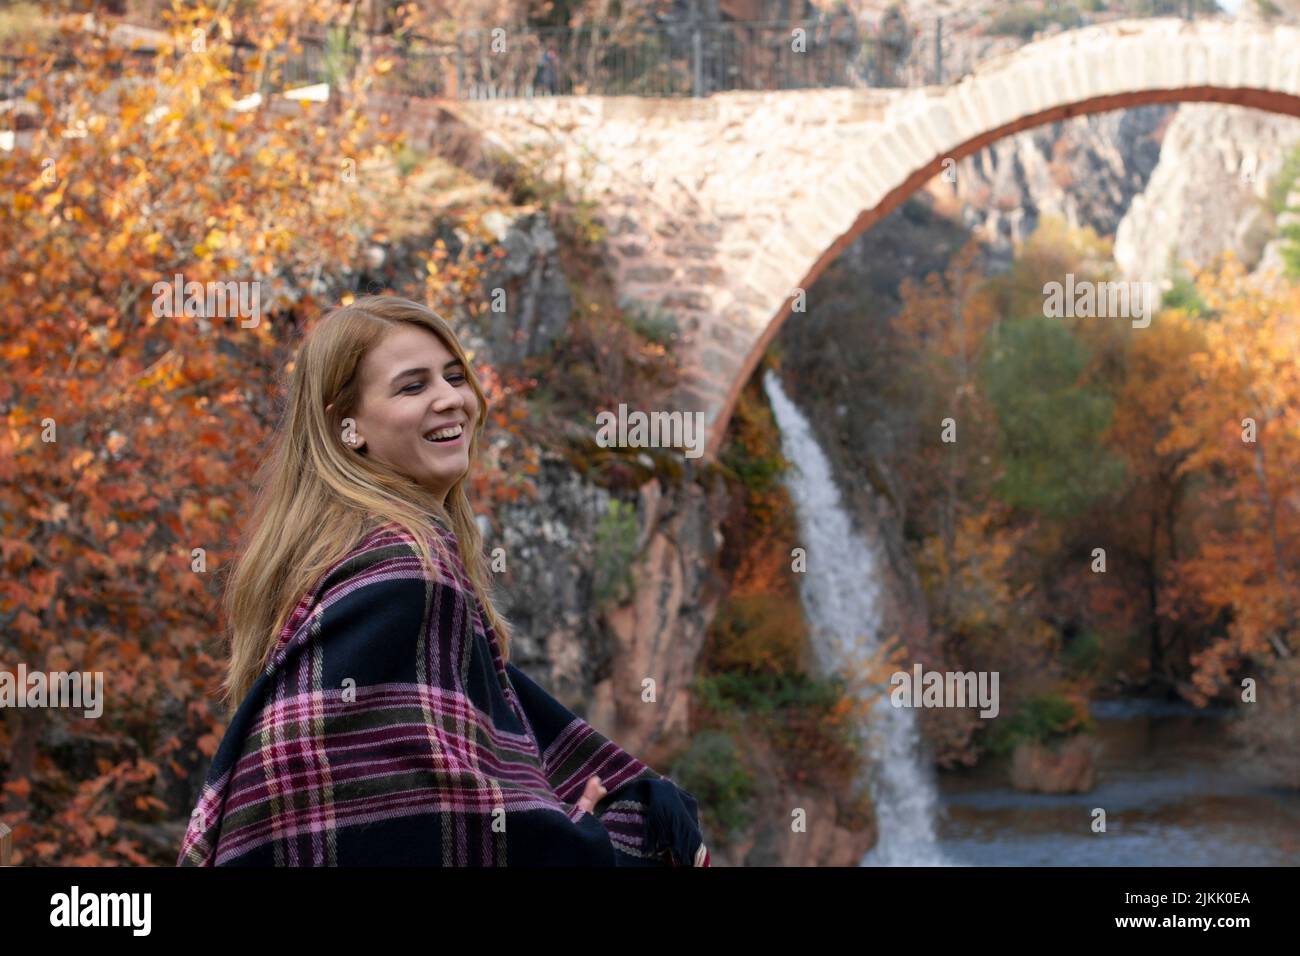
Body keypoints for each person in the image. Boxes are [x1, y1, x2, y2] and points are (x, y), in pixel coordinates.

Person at [177, 294, 709, 866]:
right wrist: (588, 844)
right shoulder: (407, 573)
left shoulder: (338, 557)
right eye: (412, 386)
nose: (451, 399)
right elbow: (430, 829)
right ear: (345, 425)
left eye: (454, 376)